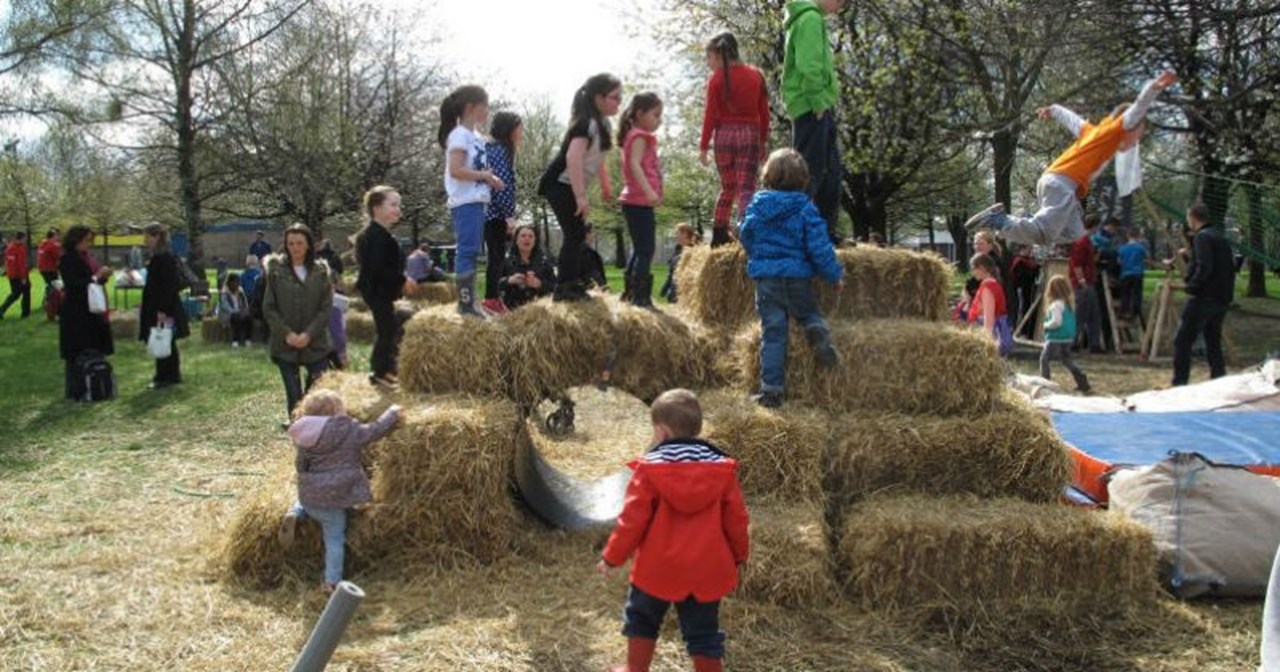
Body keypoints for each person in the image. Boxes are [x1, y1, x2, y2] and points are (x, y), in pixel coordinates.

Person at [597, 388, 750, 672]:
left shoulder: (649, 470)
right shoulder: (721, 469)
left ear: (661, 432)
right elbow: (737, 519)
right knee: (703, 634)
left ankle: (635, 669)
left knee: (641, 619)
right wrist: (740, 555)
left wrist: (612, 557)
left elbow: (632, 521)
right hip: (706, 568)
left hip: (657, 568)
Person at [966, 70, 1179, 244]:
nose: (1136, 142)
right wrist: (1154, 87)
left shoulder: (1093, 133)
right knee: (1043, 233)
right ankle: (1000, 220)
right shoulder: (1113, 131)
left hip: (1057, 183)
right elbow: (1138, 108)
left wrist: (1053, 110)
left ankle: (1027, 221)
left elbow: (1072, 120)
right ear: (1129, 126)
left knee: (1075, 235)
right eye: (1138, 136)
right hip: (1061, 184)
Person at [738, 148, 844, 408]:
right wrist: (834, 275)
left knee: (773, 333)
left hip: (766, 279)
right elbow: (819, 246)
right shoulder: (805, 208)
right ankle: (816, 327)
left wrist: (757, 254)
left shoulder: (758, 205)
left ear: (768, 175)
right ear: (803, 179)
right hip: (797, 277)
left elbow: (746, 235)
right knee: (807, 312)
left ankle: (771, 392)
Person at [278, 390, 400, 593]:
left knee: (309, 498)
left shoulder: (304, 433)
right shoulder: (347, 429)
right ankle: (332, 581)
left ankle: (296, 512)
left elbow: (300, 466)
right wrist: (392, 413)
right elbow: (374, 431)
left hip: (310, 496)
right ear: (336, 411)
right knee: (334, 538)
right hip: (334, 500)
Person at [539, 73, 622, 302]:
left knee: (577, 235)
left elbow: (599, 159)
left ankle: (570, 284)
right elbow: (573, 157)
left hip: (570, 186)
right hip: (559, 184)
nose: (619, 102)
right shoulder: (585, 123)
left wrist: (606, 187)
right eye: (615, 97)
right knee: (575, 235)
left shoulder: (604, 124)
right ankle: (564, 288)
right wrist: (580, 196)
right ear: (598, 98)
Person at [700, 32, 770, 247]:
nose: (708, 63)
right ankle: (745, 230)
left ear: (719, 54)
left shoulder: (716, 79)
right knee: (746, 187)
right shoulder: (756, 76)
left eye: (709, 57)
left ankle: (719, 234)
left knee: (728, 187)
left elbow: (710, 115)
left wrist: (703, 146)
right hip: (749, 135)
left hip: (723, 136)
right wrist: (763, 141)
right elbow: (764, 113)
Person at [782, 0, 844, 244]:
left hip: (817, 104)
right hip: (811, 104)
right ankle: (796, 232)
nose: (840, 7)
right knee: (809, 171)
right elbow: (809, 65)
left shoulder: (809, 18)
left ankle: (823, 233)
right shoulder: (810, 19)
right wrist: (818, 101)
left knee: (831, 171)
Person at [439, 85, 502, 316]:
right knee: (467, 251)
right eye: (485, 106)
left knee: (474, 251)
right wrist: (485, 176)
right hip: (465, 201)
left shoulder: (476, 137)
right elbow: (456, 170)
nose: (488, 111)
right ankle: (465, 304)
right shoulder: (459, 135)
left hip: (477, 200)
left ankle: (471, 302)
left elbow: (472, 168)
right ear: (471, 107)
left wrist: (490, 178)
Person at [264, 223, 333, 420]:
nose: (295, 248)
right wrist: (287, 334)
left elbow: (325, 308)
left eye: (299, 243)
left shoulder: (321, 271)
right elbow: (269, 307)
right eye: (291, 243)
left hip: (316, 343)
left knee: (315, 395)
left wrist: (308, 334)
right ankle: (298, 429)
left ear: (309, 244)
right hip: (285, 344)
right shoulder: (276, 271)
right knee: (294, 396)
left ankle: (314, 429)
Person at [355, 186, 413, 388]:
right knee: (386, 330)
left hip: (381, 290)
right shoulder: (375, 235)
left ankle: (386, 369)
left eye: (399, 205)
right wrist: (402, 280)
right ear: (376, 208)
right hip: (376, 290)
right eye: (393, 205)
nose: (398, 210)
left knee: (390, 327)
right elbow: (378, 268)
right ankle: (379, 372)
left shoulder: (381, 234)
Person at [1172, 203, 1236, 386]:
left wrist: (1192, 286)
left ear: (1193, 217)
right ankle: (1218, 378)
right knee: (1212, 339)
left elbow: (1204, 266)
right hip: (1221, 297)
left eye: (1188, 218)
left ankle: (1180, 382)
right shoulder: (1219, 236)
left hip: (1204, 296)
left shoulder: (1202, 237)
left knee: (1182, 341)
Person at [618, 92, 665, 308]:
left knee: (640, 248)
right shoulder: (639, 136)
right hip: (638, 201)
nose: (659, 120)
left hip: (636, 201)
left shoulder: (635, 135)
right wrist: (648, 191)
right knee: (646, 249)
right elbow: (634, 165)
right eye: (656, 115)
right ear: (640, 114)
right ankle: (640, 297)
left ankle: (629, 293)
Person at [58, 225, 114, 400]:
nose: (89, 244)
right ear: (76, 240)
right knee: (77, 351)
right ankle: (77, 389)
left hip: (91, 310)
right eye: (86, 240)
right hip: (76, 312)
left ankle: (95, 384)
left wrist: (102, 277)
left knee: (92, 347)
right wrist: (96, 277)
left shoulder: (87, 256)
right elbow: (73, 284)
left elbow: (93, 281)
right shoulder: (67, 259)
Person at [139, 224, 191, 388]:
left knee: (162, 339)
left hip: (163, 307)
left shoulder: (164, 258)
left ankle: (164, 376)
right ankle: (171, 375)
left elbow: (169, 286)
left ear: (156, 237)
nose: (145, 240)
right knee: (167, 339)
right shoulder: (160, 256)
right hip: (160, 305)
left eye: (147, 237)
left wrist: (162, 309)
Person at [484, 111, 522, 313]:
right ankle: (491, 299)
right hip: (494, 212)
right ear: (509, 129)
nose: (521, 132)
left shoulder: (494, 148)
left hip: (491, 211)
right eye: (519, 128)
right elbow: (502, 186)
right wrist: (509, 216)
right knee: (496, 256)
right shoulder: (500, 150)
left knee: (497, 256)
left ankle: (493, 298)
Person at [1040, 274, 1091, 393]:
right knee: (1067, 361)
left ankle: (1045, 383)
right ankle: (1082, 382)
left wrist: (1046, 325)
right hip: (1067, 338)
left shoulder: (1056, 305)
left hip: (1055, 338)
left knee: (1044, 359)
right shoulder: (1068, 304)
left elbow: (1056, 322)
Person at [499, 224, 557, 310]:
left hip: (539, 309)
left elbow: (555, 286)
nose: (527, 239)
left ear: (535, 241)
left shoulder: (545, 261)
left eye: (530, 236)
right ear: (516, 240)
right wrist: (509, 280)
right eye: (523, 236)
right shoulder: (505, 260)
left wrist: (540, 284)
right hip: (511, 310)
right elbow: (494, 284)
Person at [1069, 216, 1104, 353]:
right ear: (1094, 226)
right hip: (1082, 283)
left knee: (1094, 313)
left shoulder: (1088, 241)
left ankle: (1094, 344)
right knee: (1080, 313)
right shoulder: (1081, 241)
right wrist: (1081, 280)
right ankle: (1072, 342)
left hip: (1090, 281)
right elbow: (1077, 263)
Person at [968, 254, 1014, 356]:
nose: (972, 272)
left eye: (973, 268)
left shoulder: (988, 286)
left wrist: (986, 341)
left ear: (982, 268)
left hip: (990, 332)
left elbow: (989, 317)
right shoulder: (992, 283)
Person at [660, 222, 700, 304]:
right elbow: (672, 271)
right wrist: (665, 287)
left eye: (677, 233)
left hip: (686, 293)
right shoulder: (677, 249)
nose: (676, 236)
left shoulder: (695, 251)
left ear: (685, 234)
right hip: (673, 291)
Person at [1117, 228, 1150, 319]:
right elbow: (1147, 258)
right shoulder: (1141, 248)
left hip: (1125, 273)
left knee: (1125, 293)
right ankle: (1135, 311)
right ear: (1138, 236)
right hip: (1137, 273)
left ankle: (1124, 311)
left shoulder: (1122, 248)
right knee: (1137, 293)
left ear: (1128, 236)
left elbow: (1119, 261)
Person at [1009, 245, 1041, 338]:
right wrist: (1033, 271)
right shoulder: (1019, 261)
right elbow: (1020, 276)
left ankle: (1025, 331)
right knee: (1022, 309)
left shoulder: (1028, 261)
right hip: (1021, 288)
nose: (1030, 251)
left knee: (1026, 308)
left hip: (1028, 289)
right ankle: (1020, 330)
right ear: (1022, 249)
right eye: (1028, 249)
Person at [1, 231, 31, 319]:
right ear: (22, 238)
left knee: (16, 294)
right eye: (25, 238)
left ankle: (2, 310)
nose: (25, 240)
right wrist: (23, 277)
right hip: (19, 275)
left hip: (12, 275)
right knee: (24, 292)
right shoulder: (19, 248)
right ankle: (25, 313)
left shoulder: (10, 247)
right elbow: (21, 264)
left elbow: (9, 262)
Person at [219, 272, 253, 347]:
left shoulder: (240, 291)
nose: (237, 284)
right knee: (236, 317)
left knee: (248, 317)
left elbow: (245, 302)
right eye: (235, 282)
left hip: (239, 312)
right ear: (230, 283)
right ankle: (235, 340)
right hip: (227, 314)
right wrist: (235, 312)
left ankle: (248, 339)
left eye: (238, 282)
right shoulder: (224, 292)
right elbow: (225, 306)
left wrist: (245, 310)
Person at [582, 224, 609, 292]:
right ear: (586, 234)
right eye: (592, 232)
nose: (594, 235)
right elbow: (593, 272)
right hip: (591, 289)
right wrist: (603, 286)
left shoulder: (574, 252)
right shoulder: (588, 253)